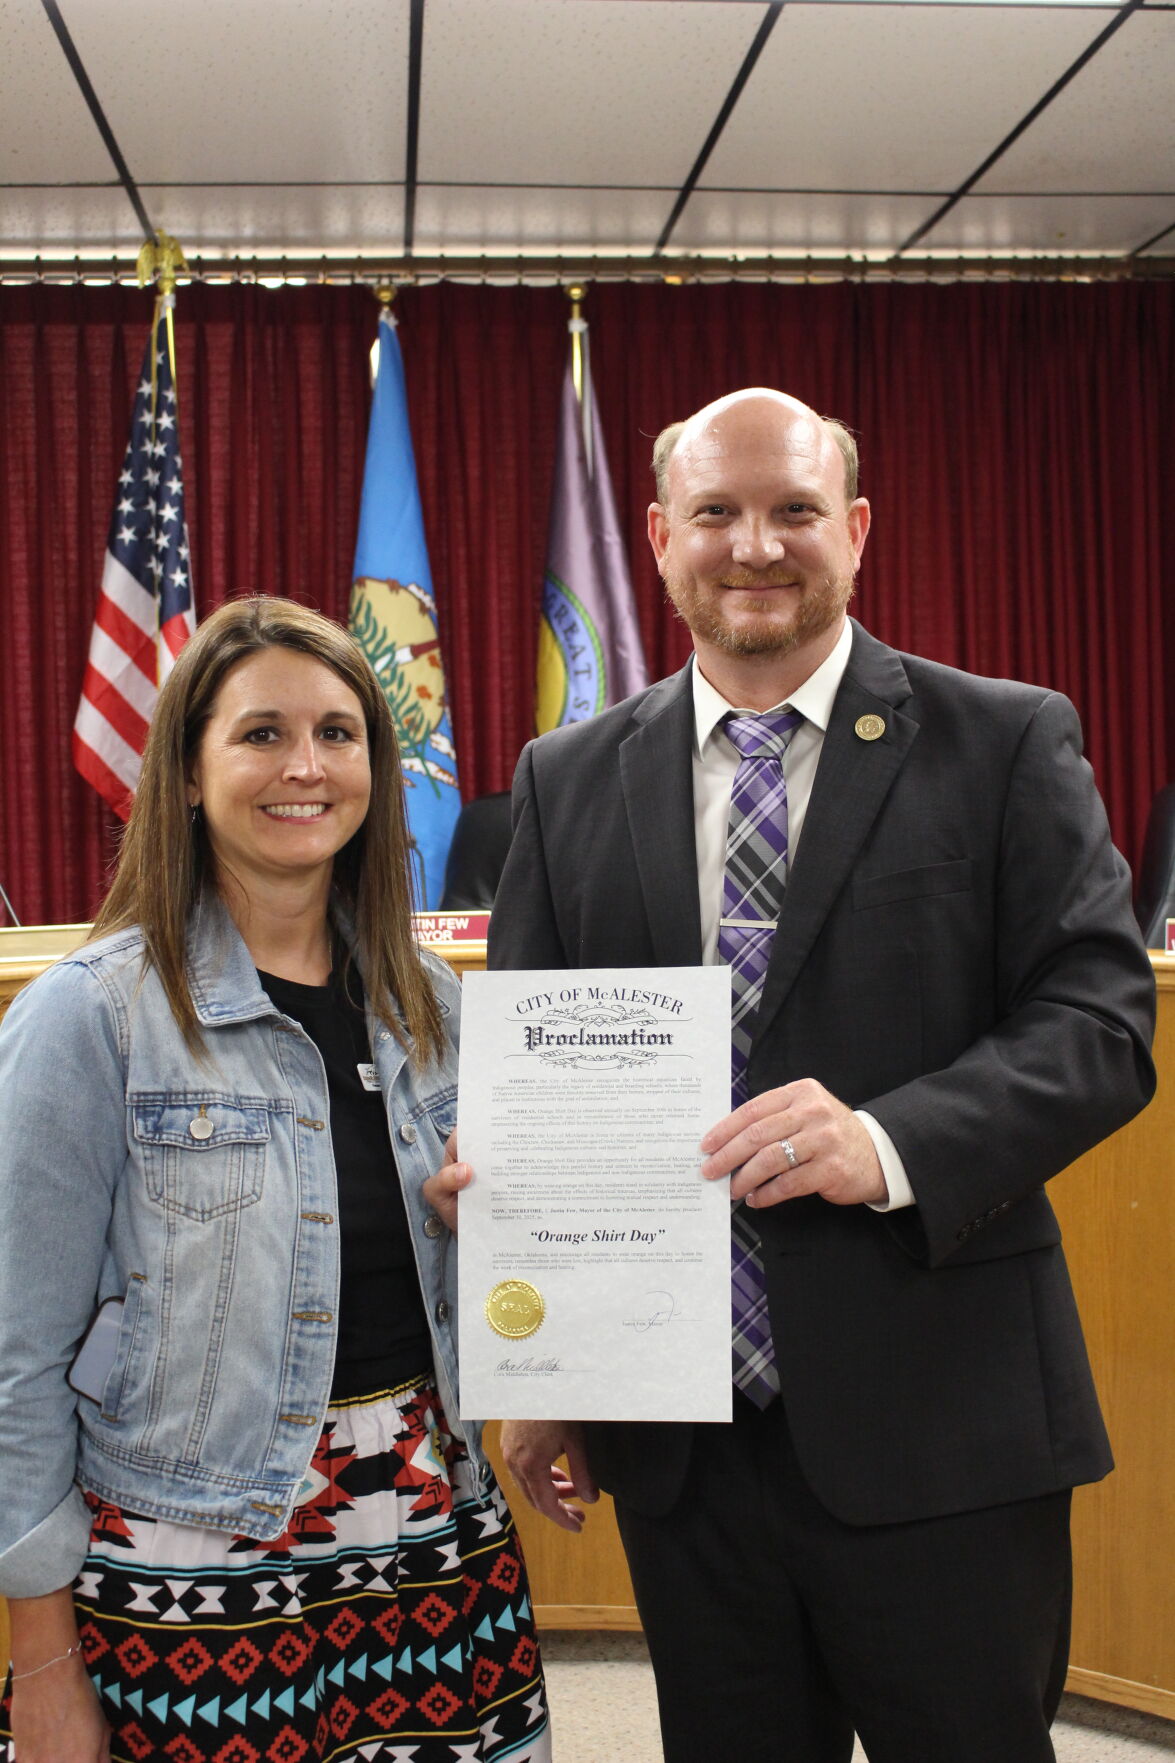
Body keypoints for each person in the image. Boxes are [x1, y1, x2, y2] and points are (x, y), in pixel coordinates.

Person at [480, 390, 1156, 1763]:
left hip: (942, 1431)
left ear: (851, 532)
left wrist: (887, 1139)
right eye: (716, 513)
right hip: (682, 1446)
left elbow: (1098, 1020)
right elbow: (532, 1074)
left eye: (792, 510)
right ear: (659, 538)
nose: (754, 545)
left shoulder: (1002, 739)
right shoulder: (562, 778)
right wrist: (543, 1354)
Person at [0, 598, 549, 1763]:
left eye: (338, 733)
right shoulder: (87, 1018)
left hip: (431, 1536)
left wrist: (486, 1228)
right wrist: (42, 1659)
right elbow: (14, 1359)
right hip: (193, 1568)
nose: (305, 765)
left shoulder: (440, 1010)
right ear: (188, 773)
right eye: (260, 733)